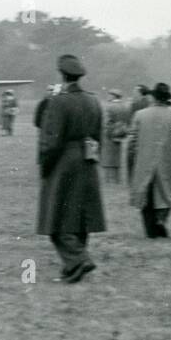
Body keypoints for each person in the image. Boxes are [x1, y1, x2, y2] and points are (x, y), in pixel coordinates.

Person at [35, 54, 105, 283]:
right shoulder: (94, 100)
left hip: (64, 161)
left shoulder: (59, 101)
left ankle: (78, 260)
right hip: (87, 159)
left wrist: (45, 164)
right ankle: (72, 267)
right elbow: (98, 136)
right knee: (80, 216)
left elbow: (50, 139)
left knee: (56, 219)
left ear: (62, 76)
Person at [128, 82, 171, 237]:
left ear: (153, 97)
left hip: (144, 160)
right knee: (168, 193)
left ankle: (150, 228)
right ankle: (161, 219)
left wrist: (133, 158)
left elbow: (132, 141)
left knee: (145, 193)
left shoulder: (140, 115)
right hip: (167, 161)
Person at [101, 90, 127, 185]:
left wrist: (107, 132)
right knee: (117, 158)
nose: (108, 96)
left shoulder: (109, 107)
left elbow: (106, 122)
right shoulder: (124, 107)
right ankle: (117, 179)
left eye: (109, 94)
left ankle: (107, 180)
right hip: (120, 133)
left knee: (107, 159)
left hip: (109, 134)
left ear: (113, 96)